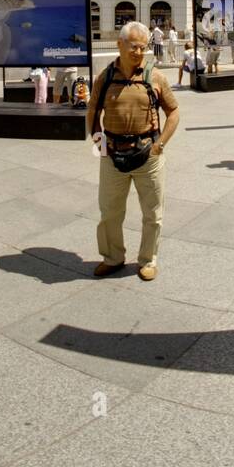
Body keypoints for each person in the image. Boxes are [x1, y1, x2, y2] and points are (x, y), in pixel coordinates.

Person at [87, 21, 181, 282]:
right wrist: (99, 144)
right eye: (133, 47)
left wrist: (160, 144)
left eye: (143, 47)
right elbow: (93, 113)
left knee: (153, 213)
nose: (138, 52)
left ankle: (148, 260)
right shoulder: (104, 77)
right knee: (110, 213)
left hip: (148, 155)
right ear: (119, 45)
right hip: (112, 154)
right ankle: (112, 258)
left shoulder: (155, 76)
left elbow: (173, 112)